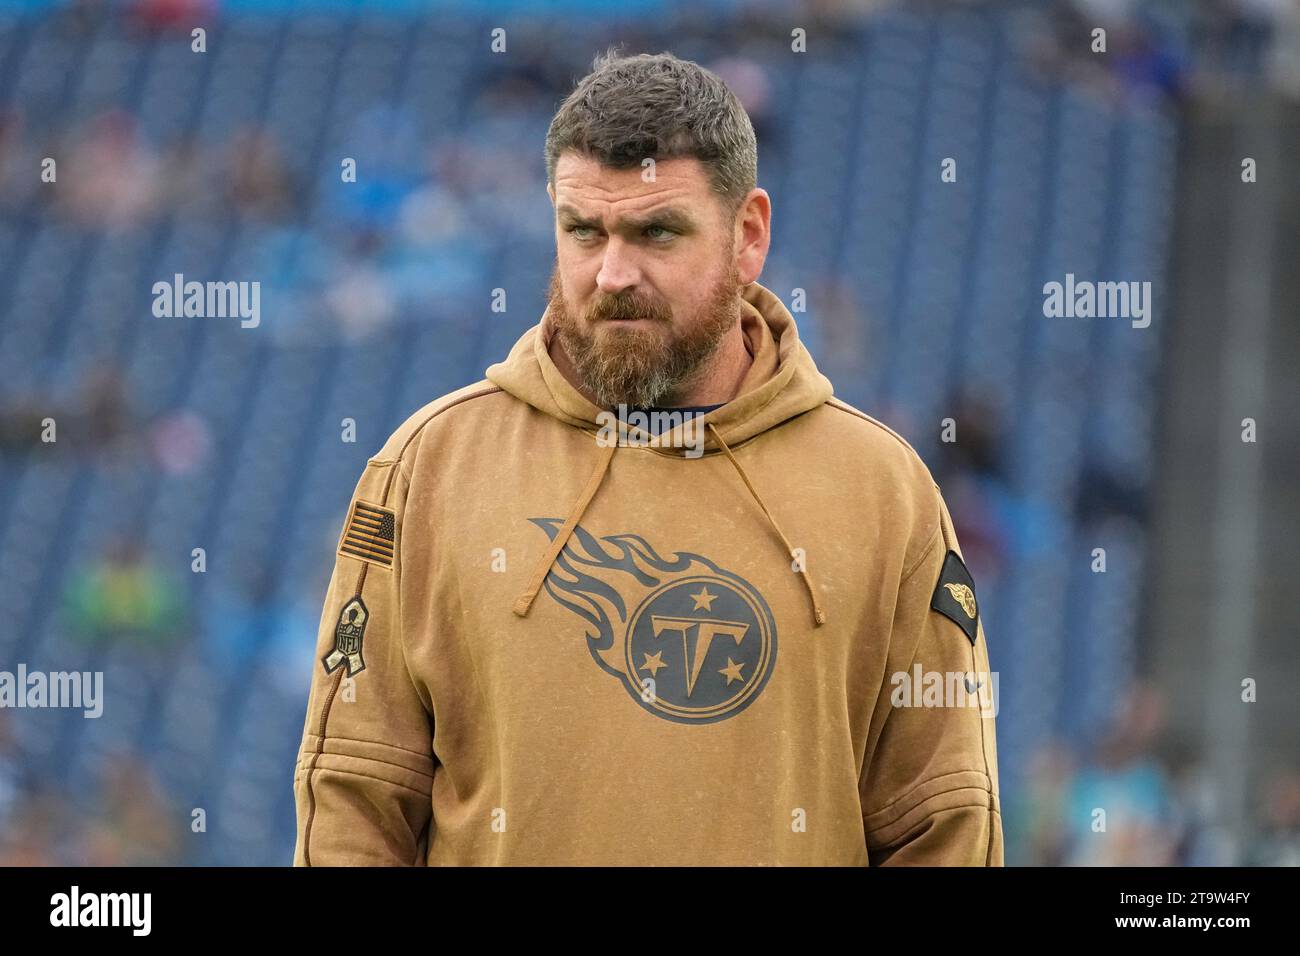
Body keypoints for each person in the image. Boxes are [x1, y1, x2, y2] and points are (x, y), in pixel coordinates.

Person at [292, 50, 1002, 866]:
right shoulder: (426, 470)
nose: (613, 273)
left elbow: (943, 823)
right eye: (582, 231)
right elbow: (355, 799)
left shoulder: (885, 492)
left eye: (656, 231)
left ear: (748, 235)